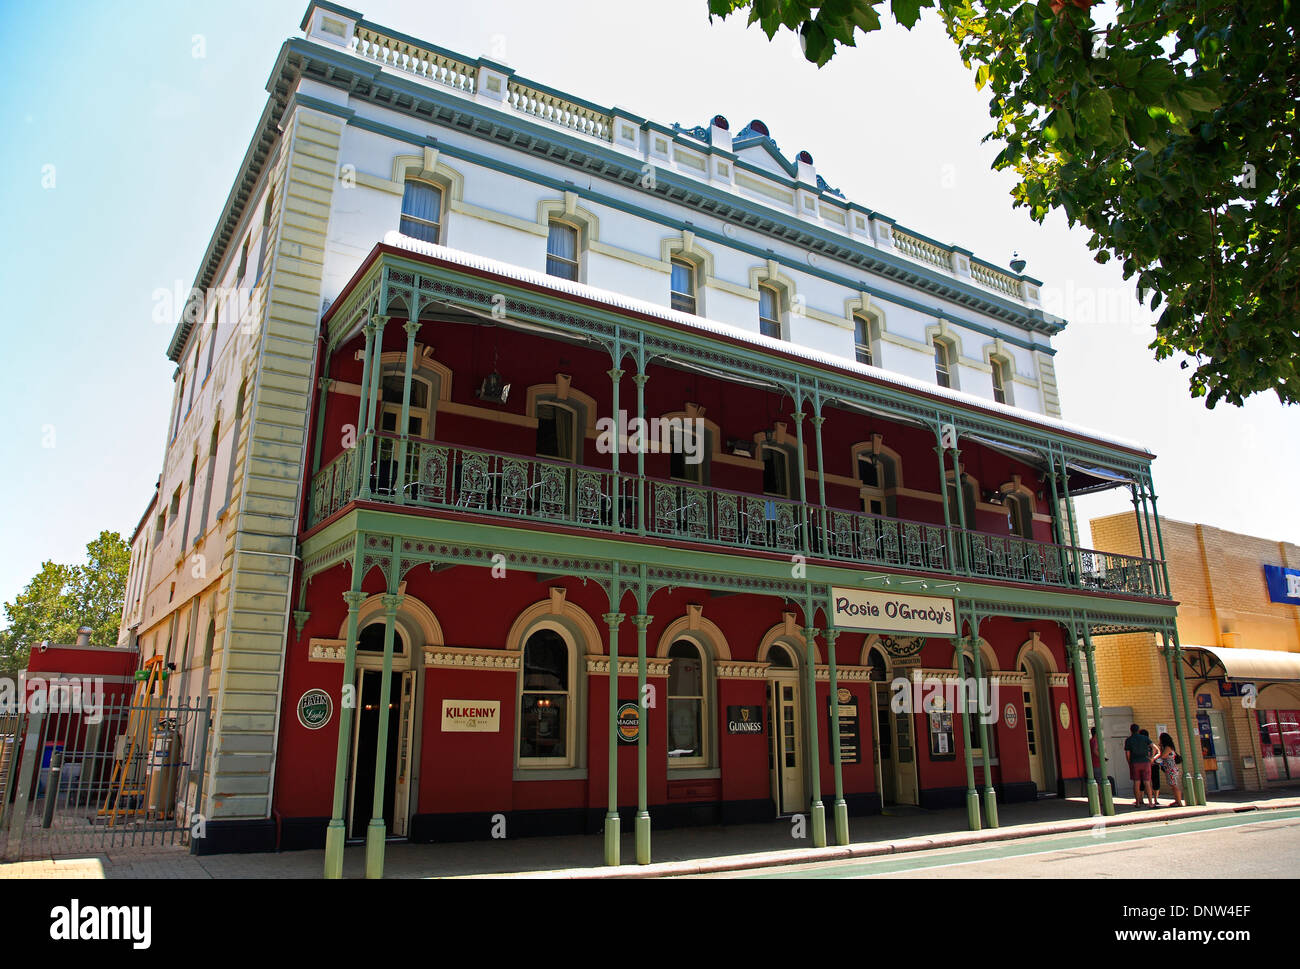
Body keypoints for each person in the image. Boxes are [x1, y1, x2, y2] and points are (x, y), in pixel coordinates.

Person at [1124, 723, 1156, 807]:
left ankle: (1138, 802)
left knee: (1136, 782)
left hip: (1135, 762)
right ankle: (1150, 802)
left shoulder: (1128, 740)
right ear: (1138, 730)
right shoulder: (1145, 738)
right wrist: (1151, 758)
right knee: (1147, 782)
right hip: (1145, 762)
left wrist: (1129, 763)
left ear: (1131, 730)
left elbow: (1127, 753)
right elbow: (1154, 747)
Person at [1158, 731, 1184, 807]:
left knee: (1174, 785)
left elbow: (1163, 756)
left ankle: (1179, 802)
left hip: (1171, 768)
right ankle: (1177, 800)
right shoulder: (1167, 747)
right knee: (1172, 785)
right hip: (1169, 768)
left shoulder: (1168, 748)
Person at [1143, 729, 1162, 803]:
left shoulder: (1143, 745)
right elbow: (1158, 752)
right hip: (1154, 764)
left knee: (1147, 782)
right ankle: (1155, 799)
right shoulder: (1152, 744)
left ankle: (1150, 799)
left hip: (1146, 765)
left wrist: (1150, 759)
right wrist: (1153, 758)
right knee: (1155, 781)